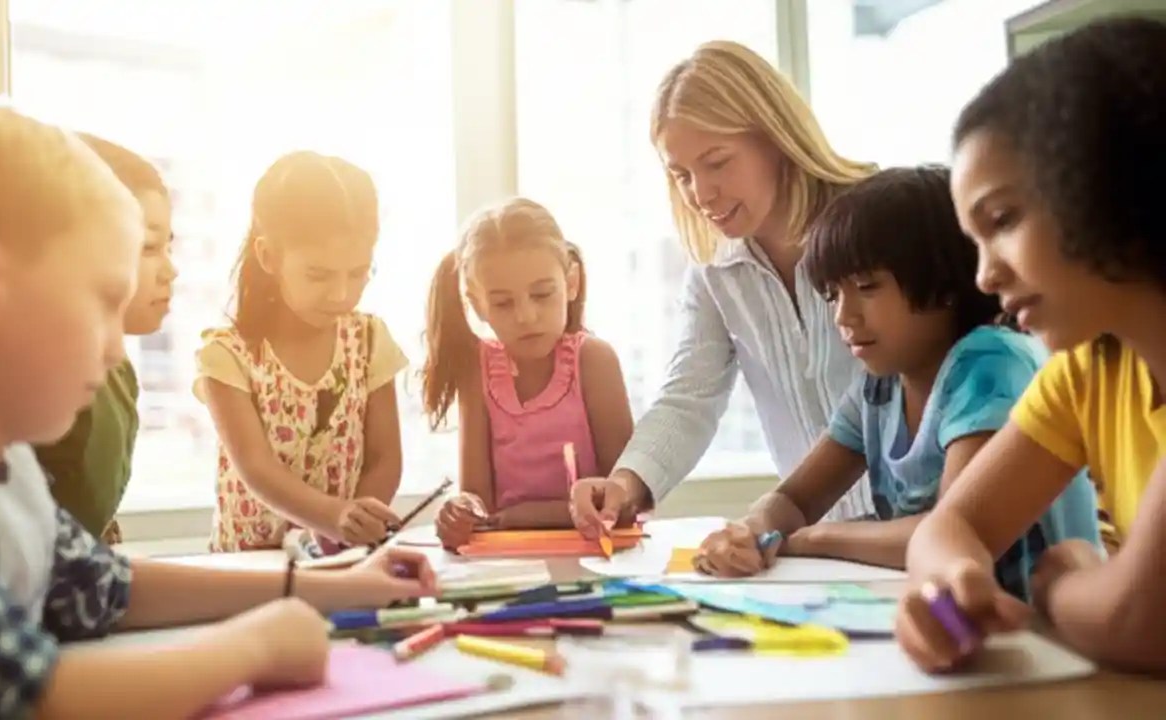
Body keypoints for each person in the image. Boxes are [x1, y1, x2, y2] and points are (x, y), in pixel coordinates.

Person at [0, 105, 435, 719]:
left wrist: (334, 588)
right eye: (102, 300)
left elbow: (105, 584)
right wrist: (253, 646)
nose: (116, 346)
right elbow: (21, 701)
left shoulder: (1, 464)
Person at [895, 17, 1166, 673]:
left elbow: (1138, 625)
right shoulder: (1090, 370)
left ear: (1109, 176)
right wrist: (949, 583)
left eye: (1003, 220)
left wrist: (1057, 580)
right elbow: (945, 528)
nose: (985, 275)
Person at [693, 166, 1100, 599]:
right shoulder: (879, 388)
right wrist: (749, 530)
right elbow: (794, 500)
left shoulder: (990, 363)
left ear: (943, 284)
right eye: (833, 294)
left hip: (1048, 629)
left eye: (867, 287)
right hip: (958, 618)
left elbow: (950, 532)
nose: (843, 317)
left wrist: (815, 539)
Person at [570, 40, 879, 536]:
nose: (700, 194)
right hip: (818, 542)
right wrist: (623, 486)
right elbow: (689, 397)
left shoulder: (881, 220)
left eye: (717, 162)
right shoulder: (716, 270)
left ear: (776, 138)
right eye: (682, 175)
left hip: (923, 524)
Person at [197, 152, 408, 552]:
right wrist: (334, 516)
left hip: (337, 562)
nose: (341, 293)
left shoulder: (370, 340)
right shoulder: (227, 356)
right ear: (268, 257)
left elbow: (385, 457)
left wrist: (358, 520)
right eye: (319, 274)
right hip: (249, 572)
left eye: (359, 272)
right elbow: (256, 468)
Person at [421, 198, 634, 549]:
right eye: (503, 303)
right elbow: (478, 500)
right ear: (477, 305)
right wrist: (459, 512)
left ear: (572, 283)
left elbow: (623, 501)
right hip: (508, 559)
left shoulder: (594, 362)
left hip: (597, 555)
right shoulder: (478, 370)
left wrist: (520, 516)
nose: (526, 316)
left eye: (542, 294)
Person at [34, 132, 176, 543]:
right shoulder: (38, 387)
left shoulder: (119, 370)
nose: (170, 270)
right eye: (149, 248)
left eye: (169, 246)